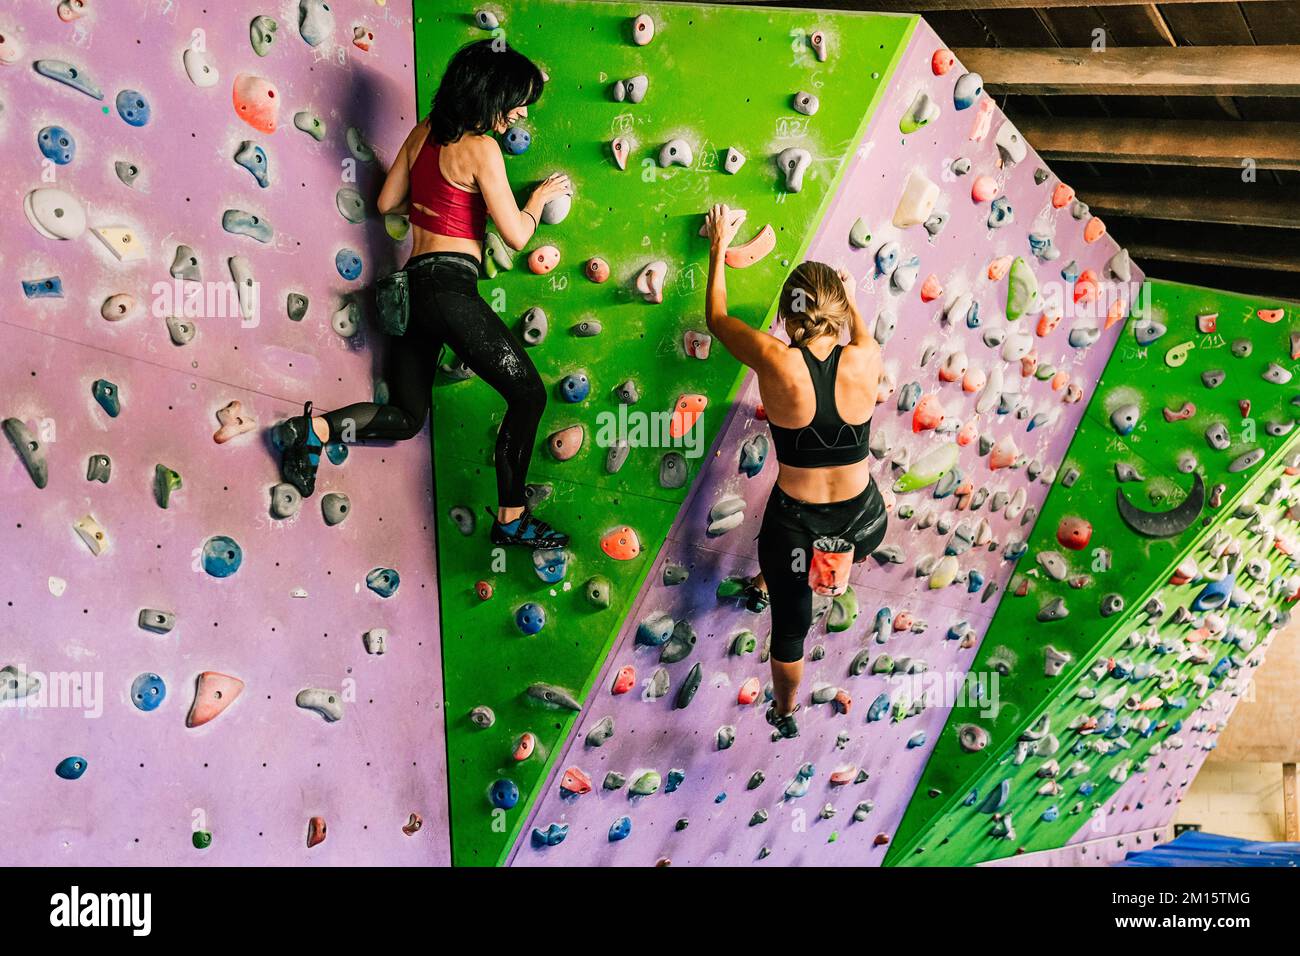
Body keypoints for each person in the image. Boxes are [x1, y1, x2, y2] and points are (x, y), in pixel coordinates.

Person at [276, 39, 571, 548]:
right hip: (449, 289)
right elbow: (519, 238)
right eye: (518, 101)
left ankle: (314, 433)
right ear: (492, 94)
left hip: (411, 290)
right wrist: (538, 199)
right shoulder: (483, 149)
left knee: (407, 418)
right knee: (528, 393)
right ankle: (511, 518)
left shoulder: (425, 133)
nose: (520, 113)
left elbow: (388, 199)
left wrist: (439, 192)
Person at [703, 204, 888, 740]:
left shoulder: (774, 358)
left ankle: (785, 714)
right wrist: (851, 299)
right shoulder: (867, 356)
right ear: (841, 310)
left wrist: (719, 244)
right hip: (866, 523)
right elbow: (859, 332)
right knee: (815, 554)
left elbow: (717, 319)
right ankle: (810, 570)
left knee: (790, 628)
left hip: (796, 527)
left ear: (787, 314)